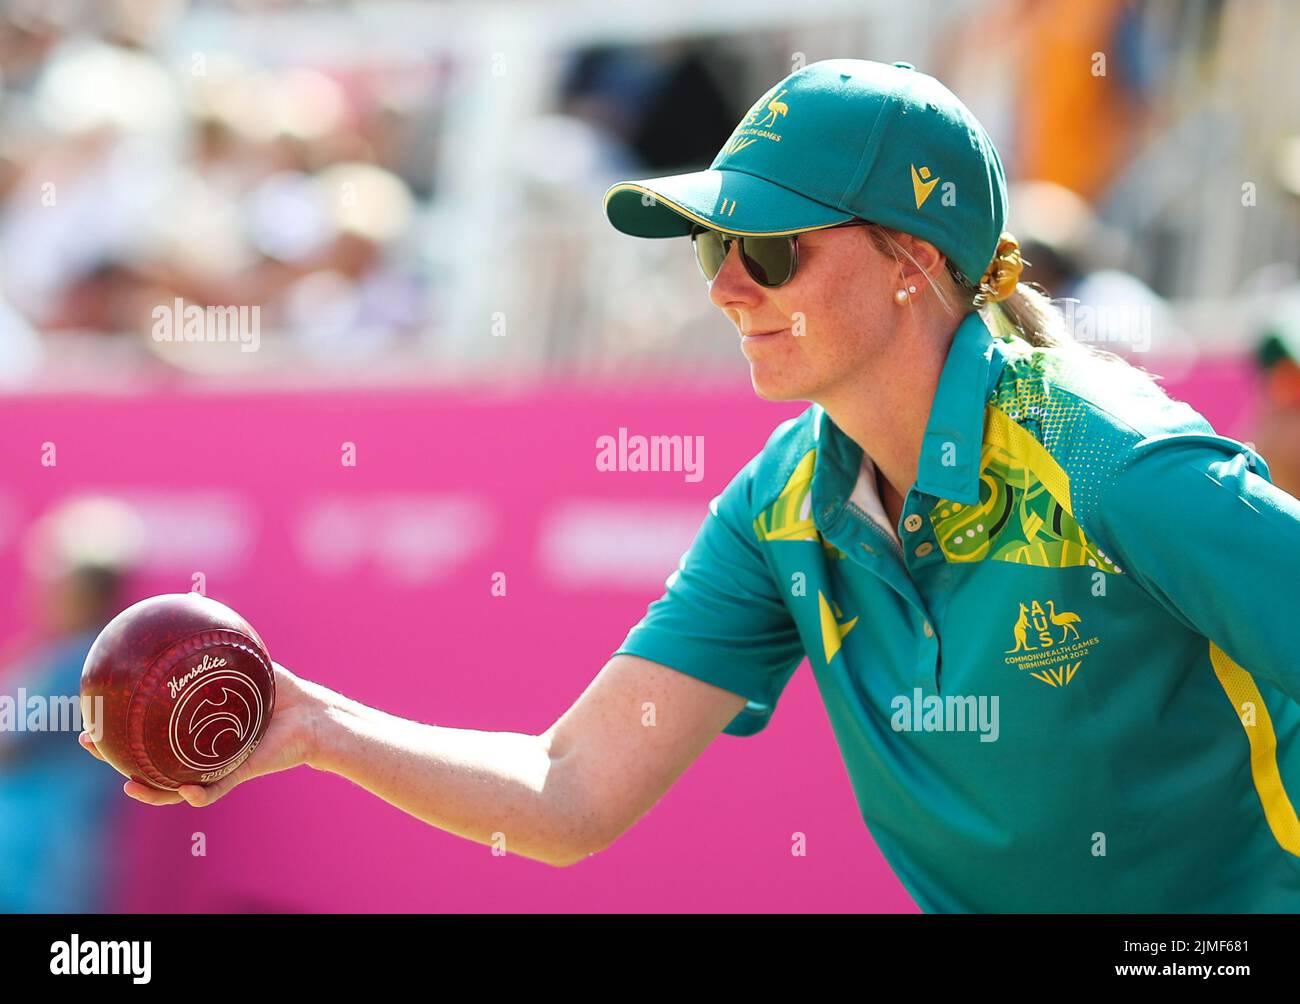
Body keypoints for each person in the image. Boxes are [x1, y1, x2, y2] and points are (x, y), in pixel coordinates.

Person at [81, 58, 1300, 913]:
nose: (726, 288)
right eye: (719, 247)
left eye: (768, 251)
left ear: (912, 265)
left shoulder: (1117, 461)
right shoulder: (782, 504)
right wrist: (314, 726)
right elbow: (568, 794)